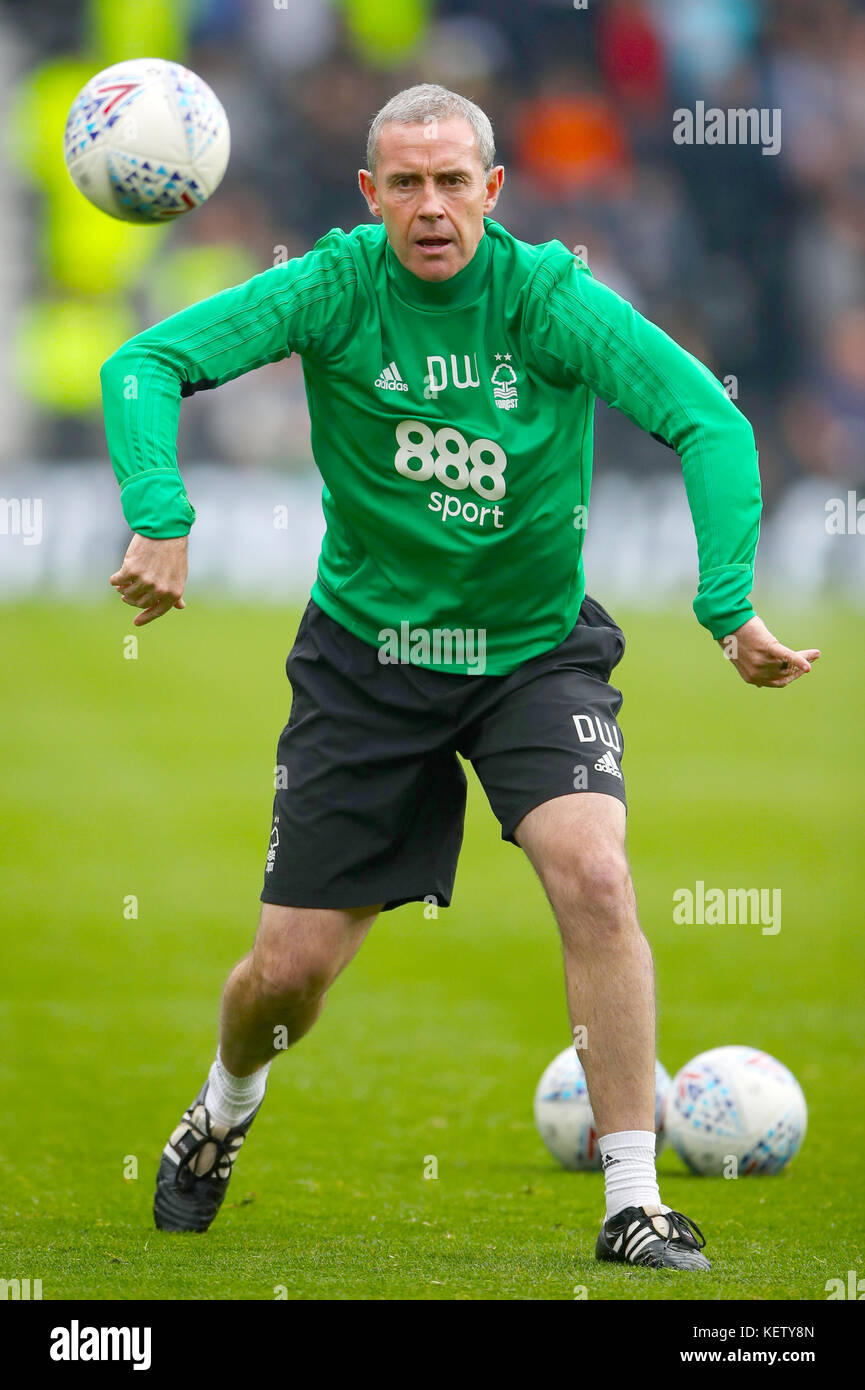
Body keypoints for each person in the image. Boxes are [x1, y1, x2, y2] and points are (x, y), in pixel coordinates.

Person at [101, 84, 819, 1270]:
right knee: (286, 977)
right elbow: (147, 362)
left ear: (492, 190)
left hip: (531, 653)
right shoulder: (333, 287)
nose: (430, 207)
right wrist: (161, 512)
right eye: (406, 183)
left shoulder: (546, 298)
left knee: (593, 872)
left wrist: (728, 598)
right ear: (370, 194)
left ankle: (632, 1199)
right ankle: (222, 1108)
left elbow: (710, 420)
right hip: (366, 667)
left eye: (452, 182)